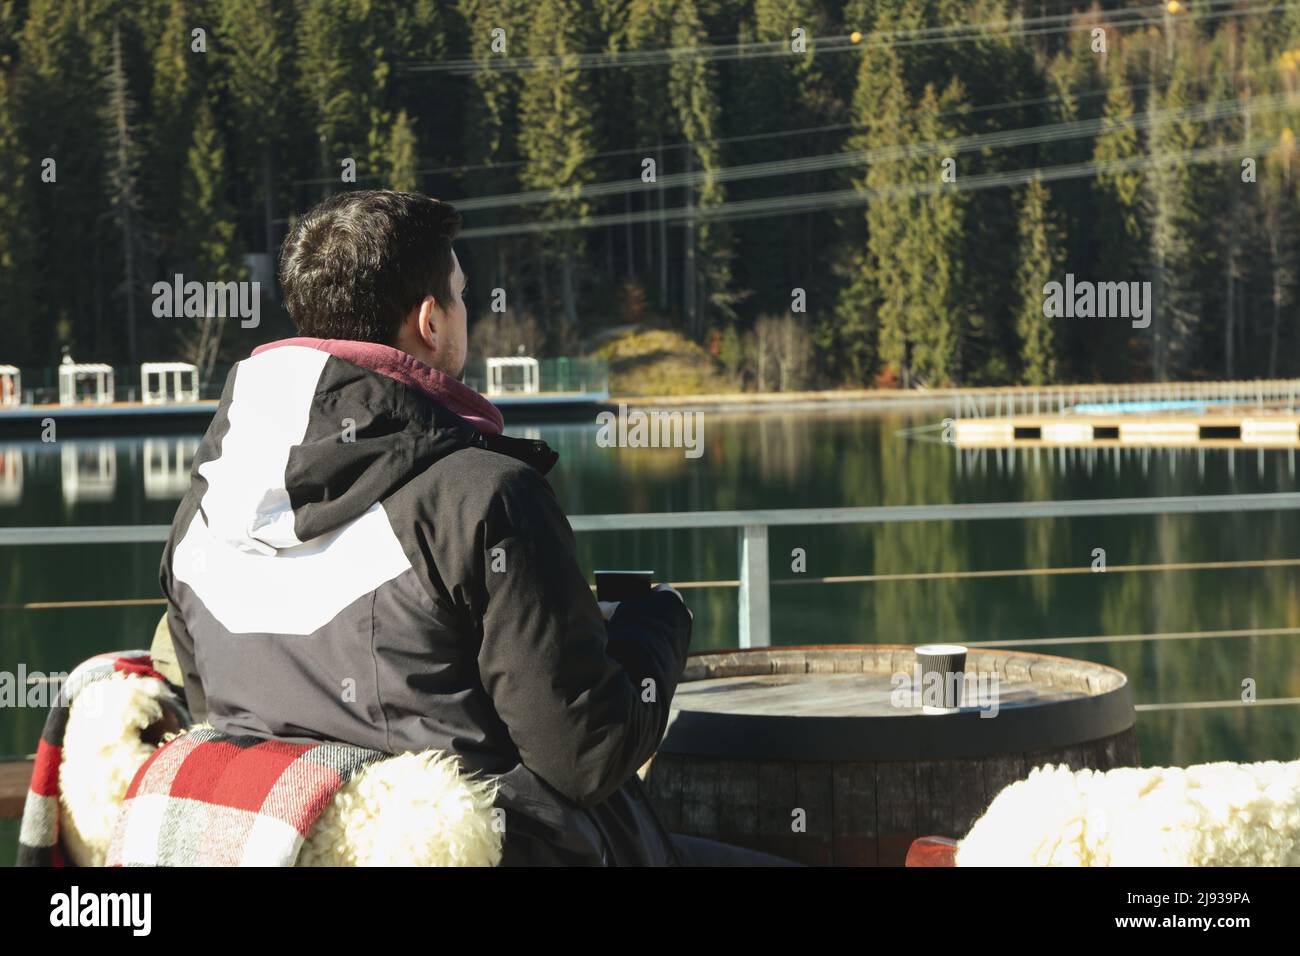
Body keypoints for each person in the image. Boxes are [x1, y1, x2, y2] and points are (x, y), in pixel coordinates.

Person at [155, 189, 797, 866]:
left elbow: (222, 718)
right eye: (462, 295)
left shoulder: (205, 508)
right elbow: (586, 757)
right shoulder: (486, 498)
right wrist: (657, 628)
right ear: (431, 321)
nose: (467, 313)